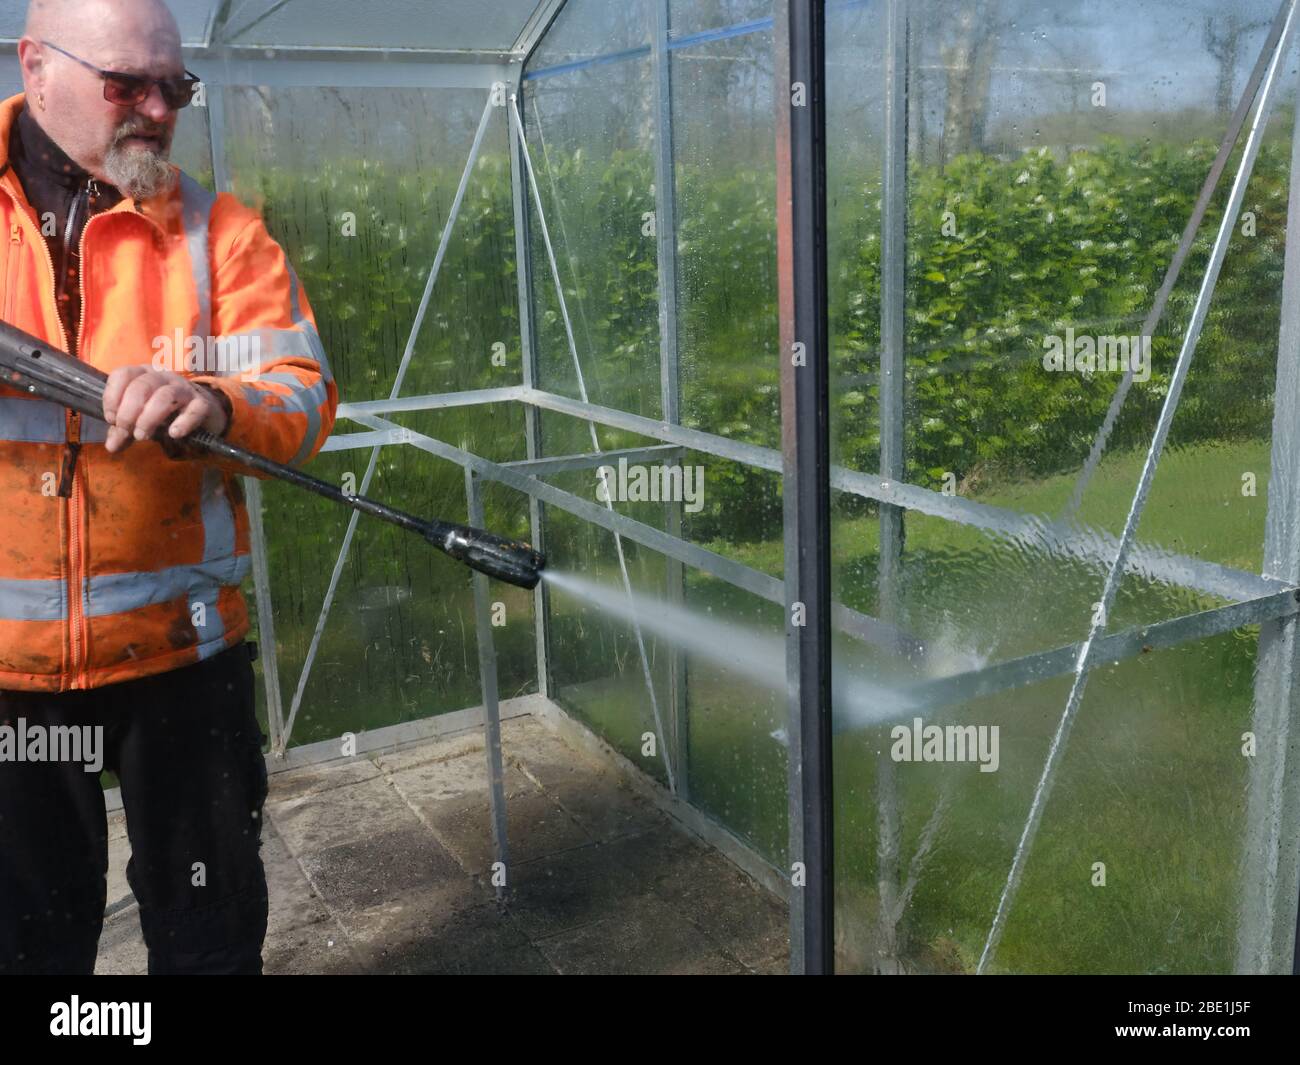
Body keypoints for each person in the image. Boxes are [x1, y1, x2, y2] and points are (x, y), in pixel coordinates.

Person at [0, 0, 338, 974]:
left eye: (175, 87)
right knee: (30, 933)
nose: (156, 108)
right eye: (126, 85)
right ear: (36, 66)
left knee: (209, 924)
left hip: (183, 665)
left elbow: (302, 397)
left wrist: (217, 403)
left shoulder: (220, 235)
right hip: (14, 687)